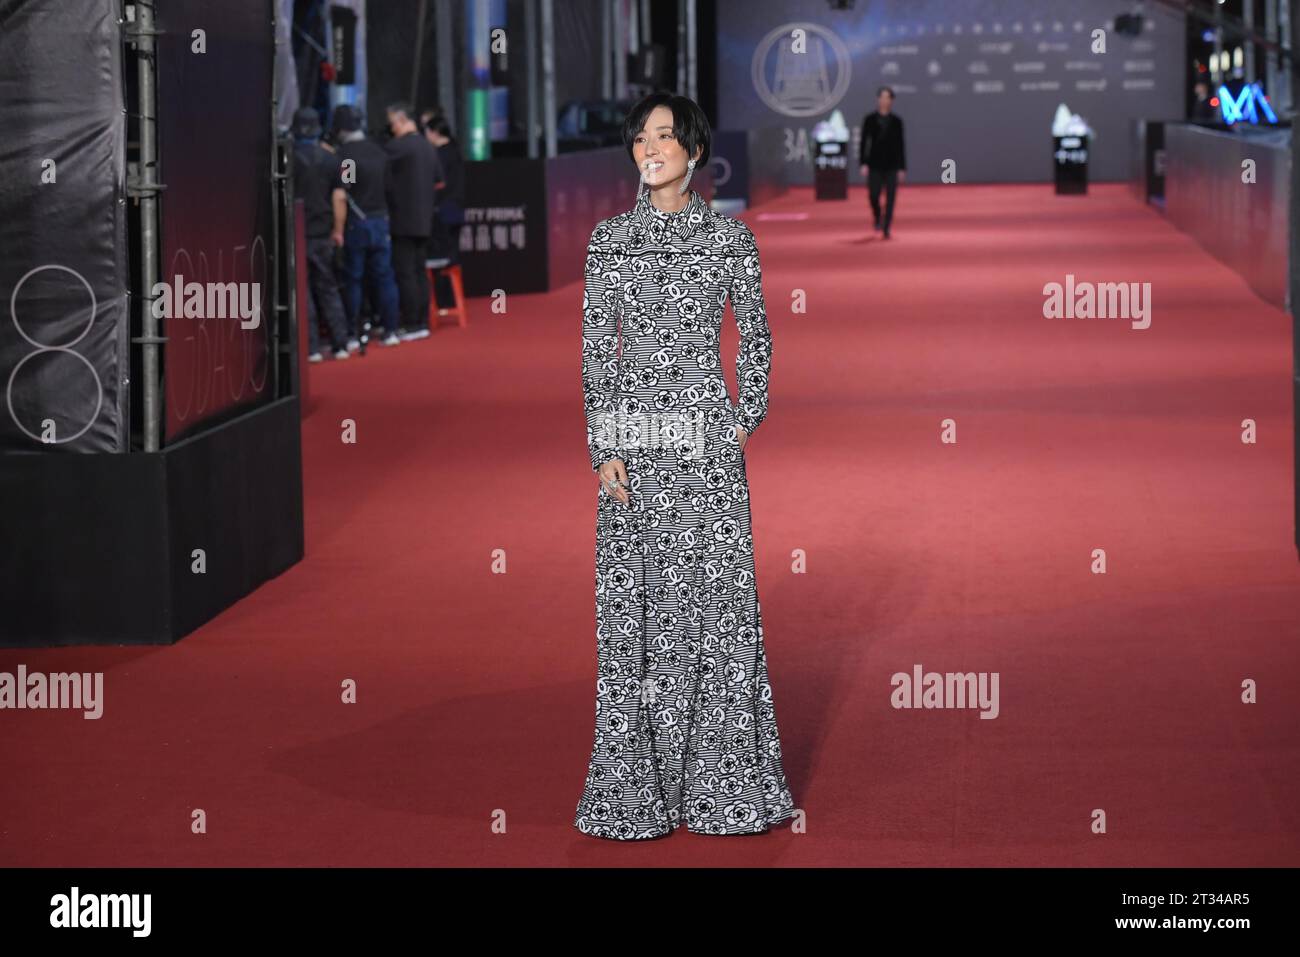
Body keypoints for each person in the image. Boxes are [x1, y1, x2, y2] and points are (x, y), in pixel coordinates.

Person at [572, 91, 797, 840]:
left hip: (705, 448)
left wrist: (740, 422)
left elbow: (758, 340)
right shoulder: (608, 241)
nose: (649, 149)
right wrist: (602, 444)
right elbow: (595, 348)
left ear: (693, 150)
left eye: (663, 137)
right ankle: (638, 790)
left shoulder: (731, 241)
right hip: (633, 444)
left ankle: (720, 784)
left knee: (713, 612)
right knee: (636, 617)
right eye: (639, 139)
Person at [331, 104, 403, 347]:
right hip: (380, 221)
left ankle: (352, 332)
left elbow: (345, 192)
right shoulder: (380, 152)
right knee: (384, 276)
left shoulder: (346, 155)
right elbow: (391, 189)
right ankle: (390, 329)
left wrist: (338, 229)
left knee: (353, 278)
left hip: (356, 223)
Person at [291, 107, 352, 361]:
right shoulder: (332, 159)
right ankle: (340, 344)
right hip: (323, 232)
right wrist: (338, 231)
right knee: (328, 288)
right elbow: (340, 198)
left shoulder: (287, 157)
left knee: (302, 292)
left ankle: (311, 347)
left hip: (296, 232)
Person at [383, 102, 442, 340]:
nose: (391, 128)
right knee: (419, 271)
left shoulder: (396, 148)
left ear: (400, 120)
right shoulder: (428, 148)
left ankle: (412, 322)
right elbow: (439, 181)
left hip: (402, 219)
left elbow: (379, 171)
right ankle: (422, 321)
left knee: (406, 273)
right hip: (425, 219)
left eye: (391, 123)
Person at [421, 110, 466, 313]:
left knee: (440, 259)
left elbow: (438, 185)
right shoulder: (455, 150)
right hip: (456, 210)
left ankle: (443, 301)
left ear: (434, 132)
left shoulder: (438, 155)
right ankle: (449, 300)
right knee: (452, 255)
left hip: (442, 212)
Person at [858, 85, 906, 239]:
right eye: (882, 97)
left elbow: (901, 145)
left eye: (888, 97)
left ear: (892, 100)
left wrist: (902, 167)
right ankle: (878, 215)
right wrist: (863, 163)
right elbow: (864, 142)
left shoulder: (897, 122)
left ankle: (886, 226)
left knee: (891, 197)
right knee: (873, 194)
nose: (885, 100)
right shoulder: (869, 120)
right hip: (874, 164)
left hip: (892, 164)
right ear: (878, 99)